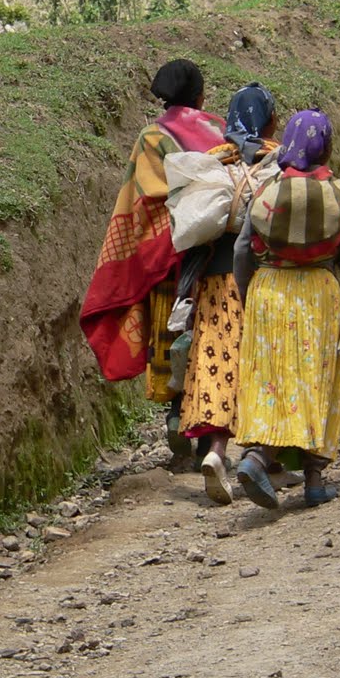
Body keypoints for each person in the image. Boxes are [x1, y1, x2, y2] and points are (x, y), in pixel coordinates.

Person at [80, 59, 225, 459]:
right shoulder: (218, 130)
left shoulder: (151, 137)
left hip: (169, 257)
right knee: (211, 333)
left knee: (171, 333)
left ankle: (177, 416)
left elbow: (141, 198)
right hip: (214, 255)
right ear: (199, 95)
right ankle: (210, 426)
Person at [231, 109, 340, 509]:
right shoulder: (339, 194)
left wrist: (247, 292)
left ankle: (259, 455)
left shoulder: (265, 191)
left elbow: (242, 250)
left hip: (268, 290)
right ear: (324, 146)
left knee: (272, 379)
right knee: (315, 379)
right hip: (319, 296)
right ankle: (313, 479)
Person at [177, 82, 279, 506]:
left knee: (218, 364)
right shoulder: (276, 160)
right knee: (263, 363)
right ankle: (264, 455)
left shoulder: (213, 163)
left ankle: (217, 453)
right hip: (263, 283)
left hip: (217, 284)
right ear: (269, 119)